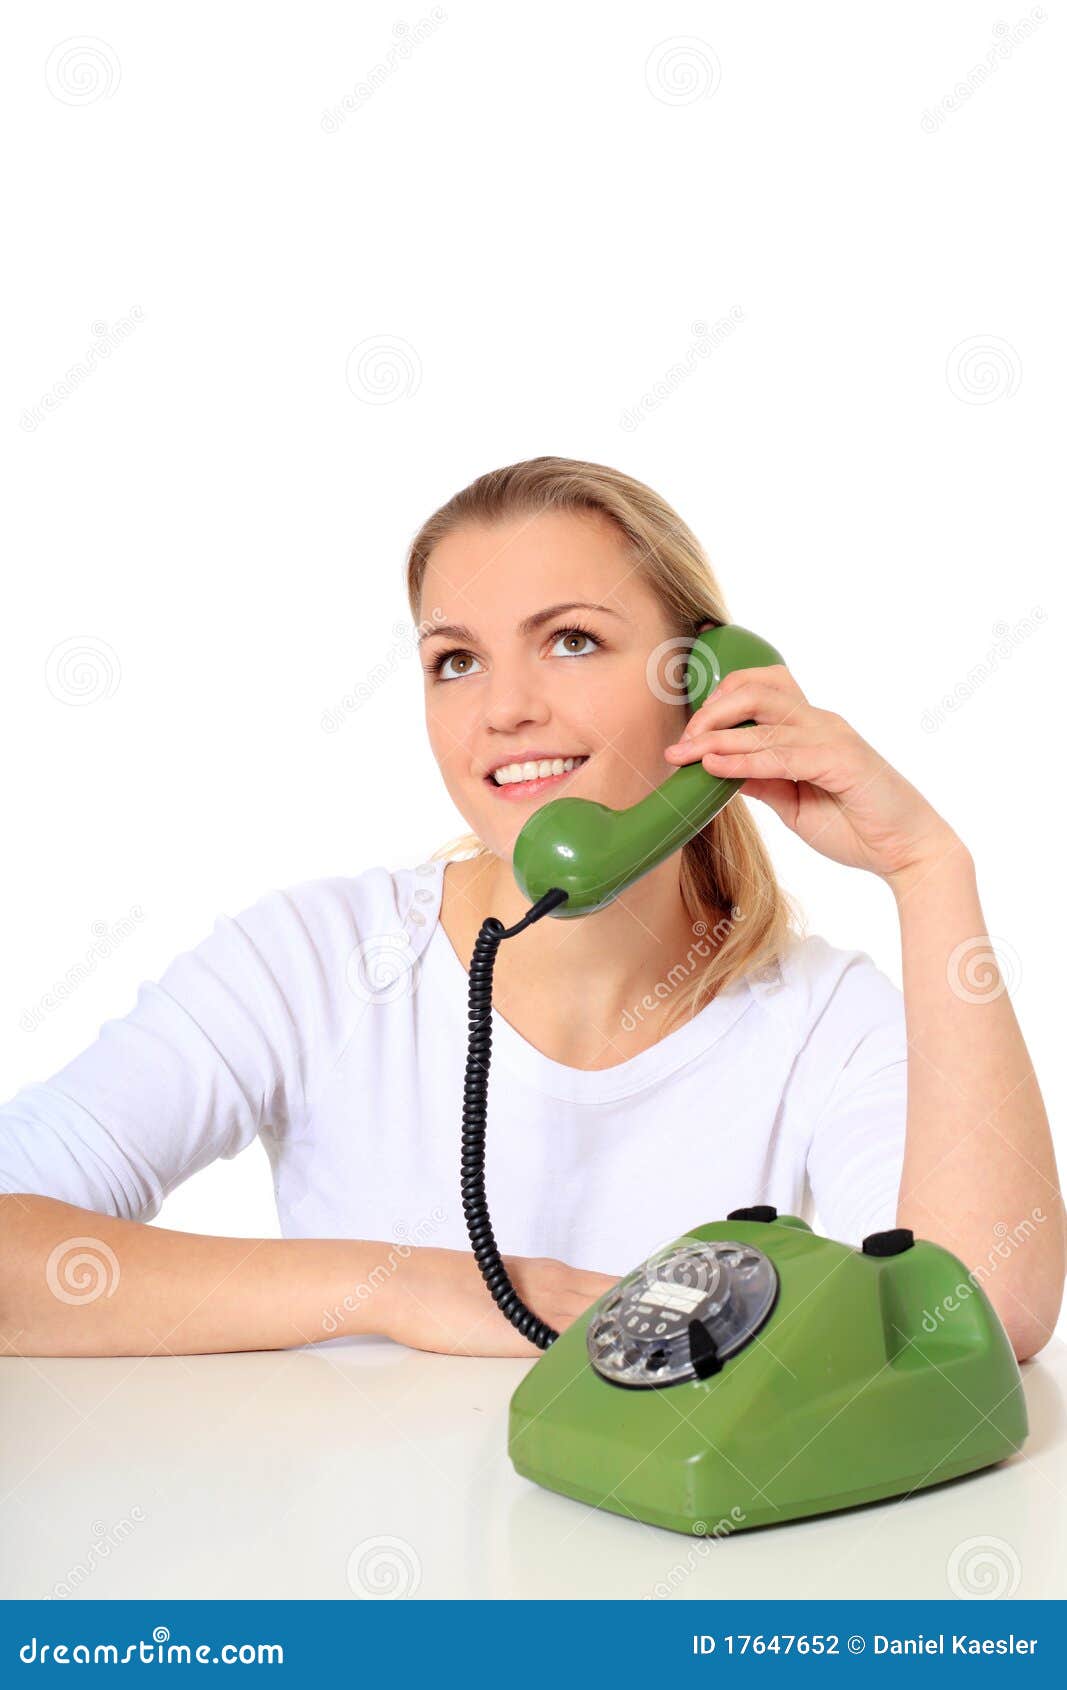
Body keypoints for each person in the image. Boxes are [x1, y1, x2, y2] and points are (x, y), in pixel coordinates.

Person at [2, 457, 1062, 1363]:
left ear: (703, 683)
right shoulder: (313, 960)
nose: (504, 709)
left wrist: (926, 870)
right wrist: (401, 1287)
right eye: (455, 661)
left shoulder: (822, 1019)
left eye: (571, 640)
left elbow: (976, 1321)